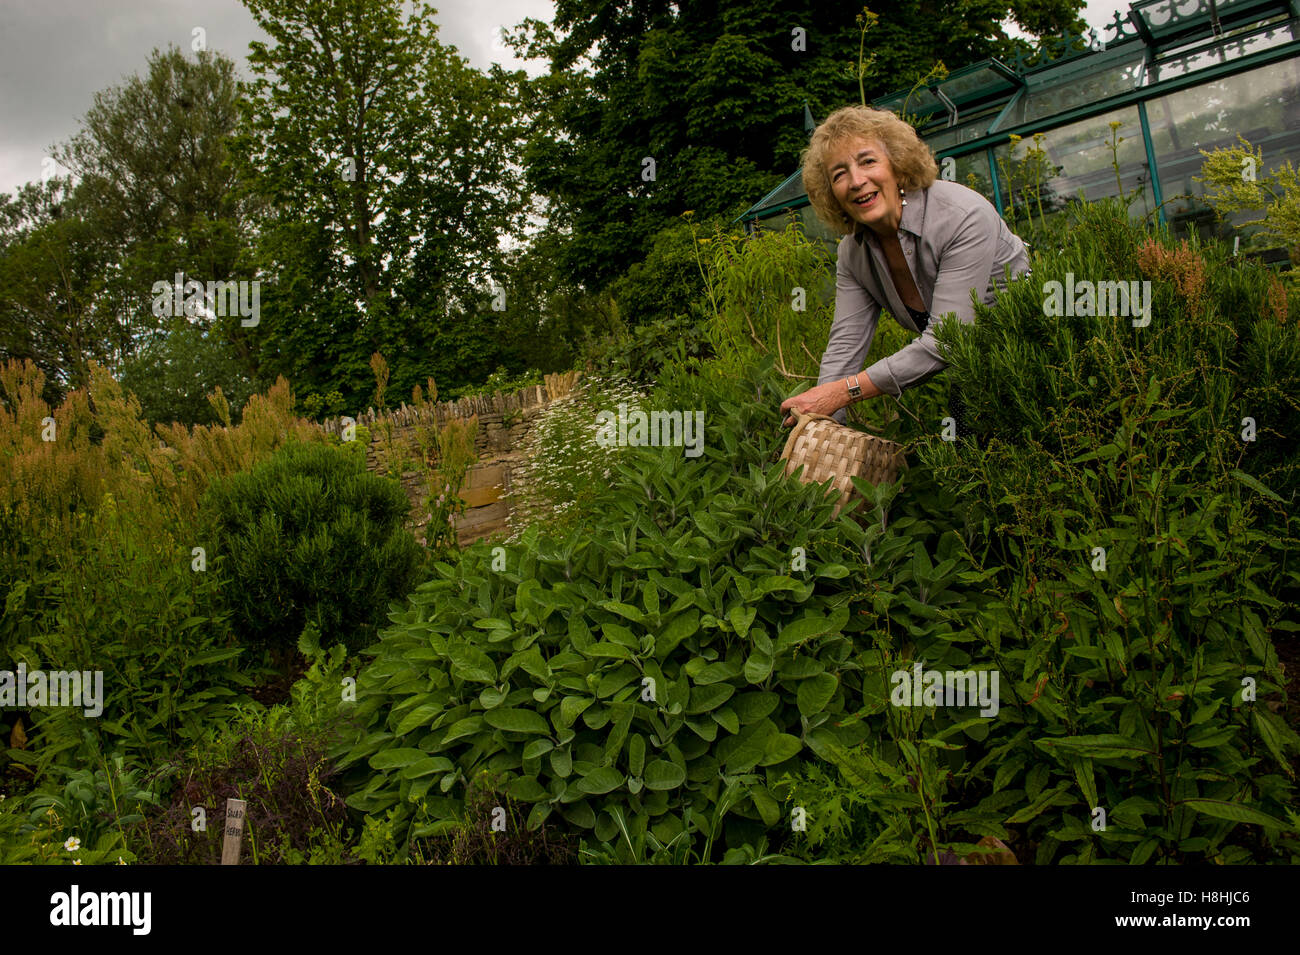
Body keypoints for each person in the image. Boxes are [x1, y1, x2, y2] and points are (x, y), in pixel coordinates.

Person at [779, 105, 1030, 438]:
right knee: (970, 455)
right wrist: (819, 422)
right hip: (969, 369)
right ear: (831, 194)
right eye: (839, 174)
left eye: (868, 161)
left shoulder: (962, 215)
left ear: (897, 165)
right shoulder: (853, 254)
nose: (856, 181)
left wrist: (843, 392)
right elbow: (845, 345)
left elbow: (947, 340)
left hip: (1033, 352)